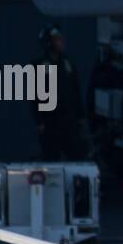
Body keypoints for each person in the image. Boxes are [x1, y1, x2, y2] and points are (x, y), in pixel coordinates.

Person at [35, 24, 91, 161]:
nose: (61, 42)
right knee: (51, 157)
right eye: (56, 39)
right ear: (48, 42)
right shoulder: (39, 67)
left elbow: (76, 92)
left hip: (69, 121)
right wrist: (39, 121)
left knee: (76, 156)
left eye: (61, 38)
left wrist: (81, 118)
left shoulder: (68, 65)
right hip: (50, 123)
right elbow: (35, 97)